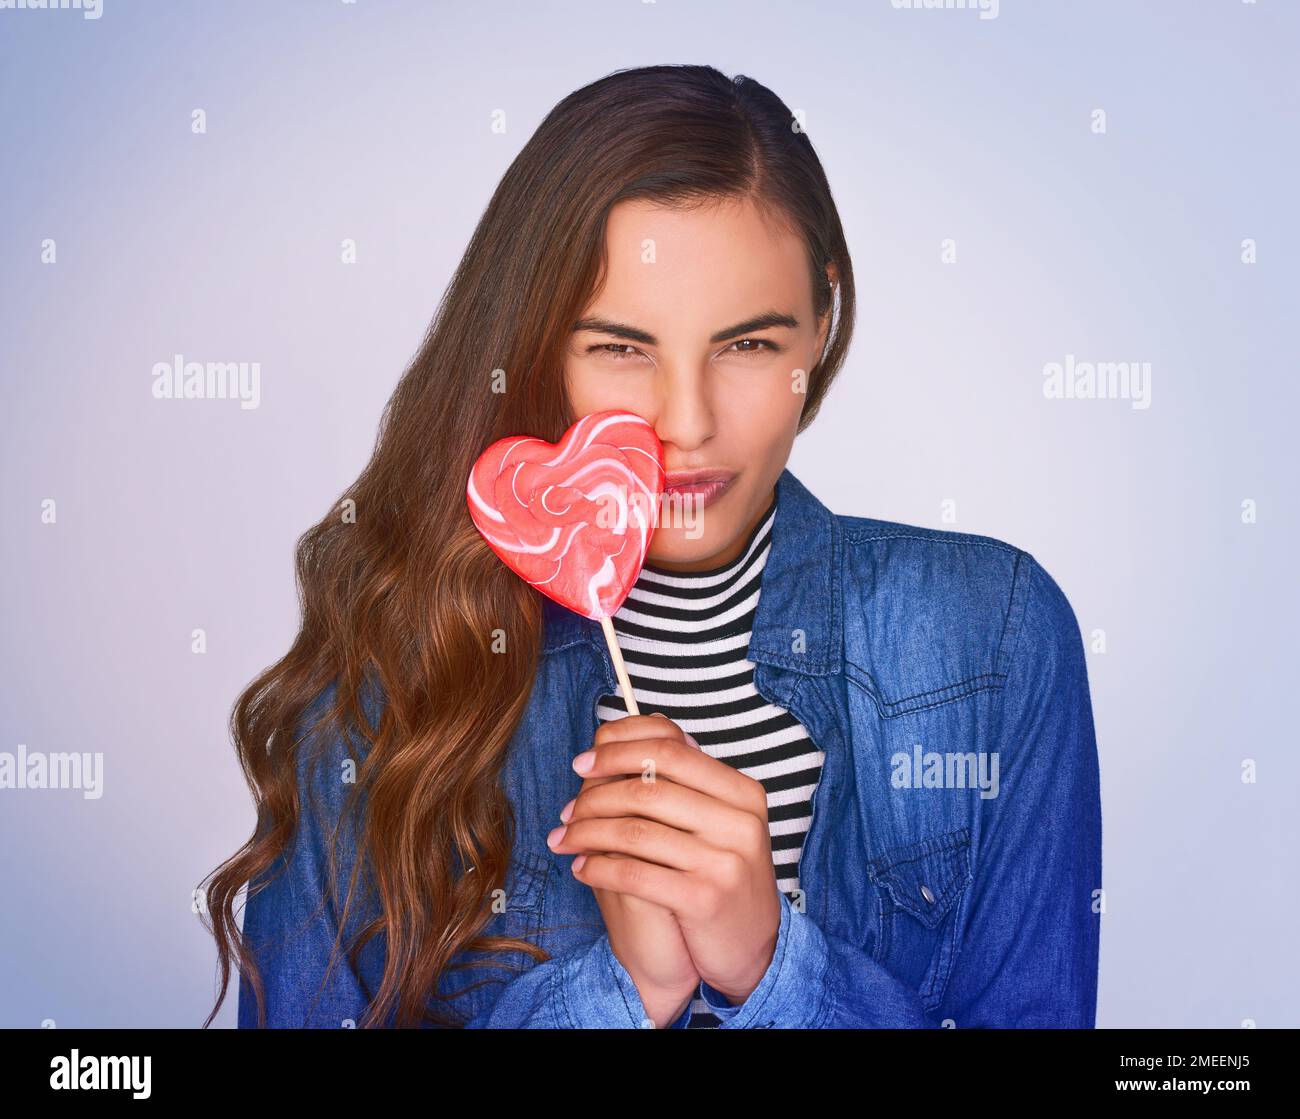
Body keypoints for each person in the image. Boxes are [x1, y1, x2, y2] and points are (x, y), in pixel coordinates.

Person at [201, 63, 1101, 1029]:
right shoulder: (389, 658)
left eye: (747, 345)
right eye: (621, 348)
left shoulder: (991, 633)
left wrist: (774, 968)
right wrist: (620, 994)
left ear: (821, 324)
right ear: (537, 346)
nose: (685, 423)